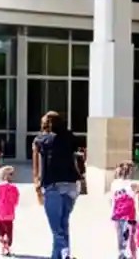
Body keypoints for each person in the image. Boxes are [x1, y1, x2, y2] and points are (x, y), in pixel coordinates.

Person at [32, 111, 81, 259]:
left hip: (52, 185)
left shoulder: (41, 140)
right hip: (71, 185)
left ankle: (64, 252)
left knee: (56, 227)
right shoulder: (70, 137)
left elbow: (36, 166)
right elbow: (81, 152)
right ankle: (59, 255)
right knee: (63, 223)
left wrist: (37, 184)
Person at [110, 161, 139, 259]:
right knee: (130, 236)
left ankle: (121, 254)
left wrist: (112, 214)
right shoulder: (133, 184)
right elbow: (135, 199)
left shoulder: (114, 184)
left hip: (118, 213)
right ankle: (131, 255)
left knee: (120, 235)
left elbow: (113, 199)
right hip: (130, 215)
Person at [0, 165, 21, 257]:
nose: (13, 176)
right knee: (8, 231)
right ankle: (7, 245)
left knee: (0, 231)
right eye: (11, 174)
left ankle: (3, 244)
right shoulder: (13, 188)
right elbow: (16, 200)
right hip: (8, 214)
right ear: (6, 176)